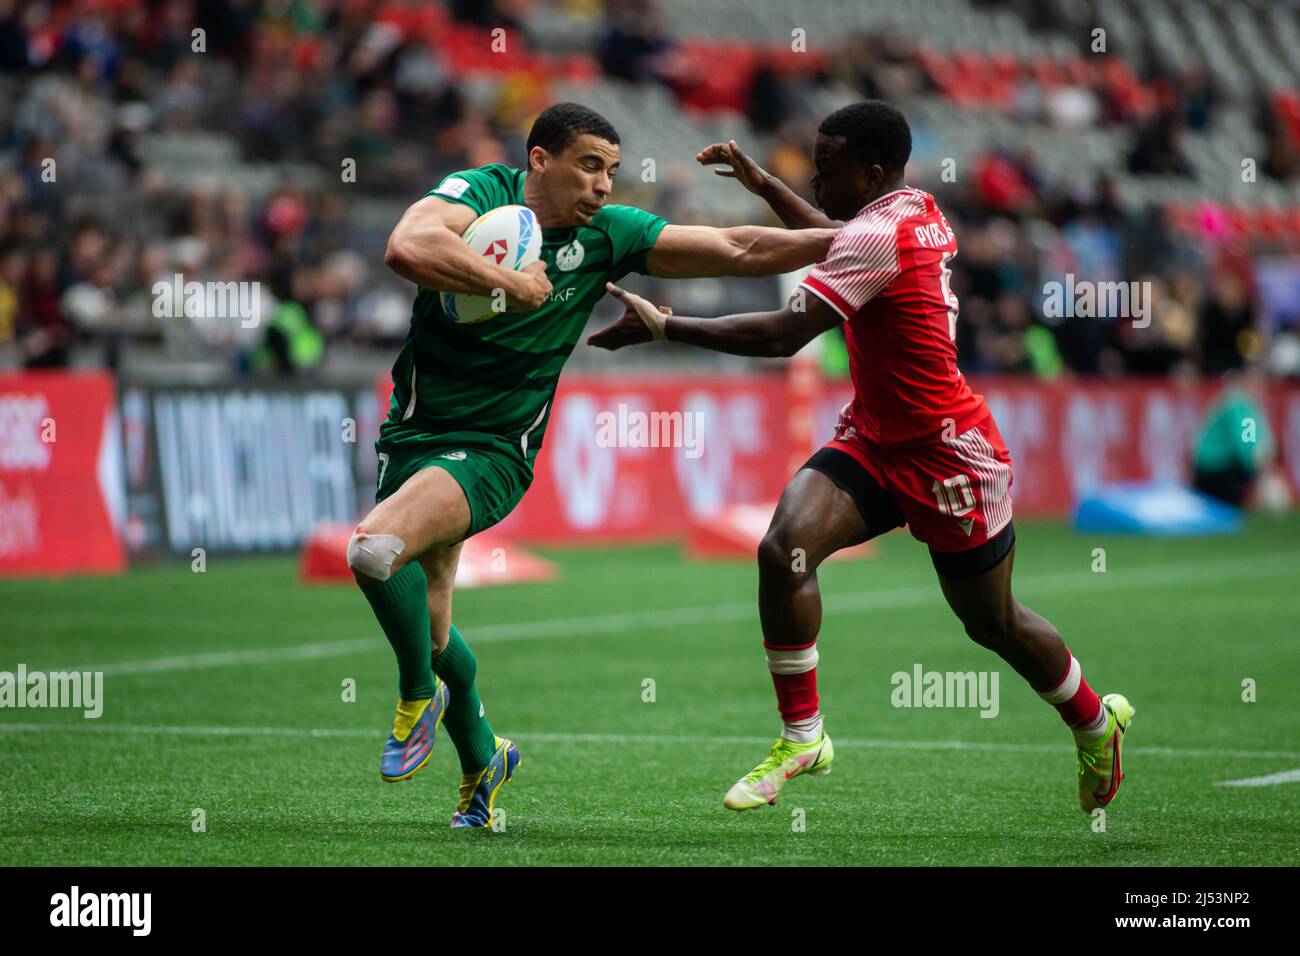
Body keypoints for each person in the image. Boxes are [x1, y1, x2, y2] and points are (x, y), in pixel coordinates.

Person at [589, 101, 1134, 814]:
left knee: (991, 623)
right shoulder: (911, 210)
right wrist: (764, 187)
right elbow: (836, 236)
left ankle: (1093, 721)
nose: (813, 178)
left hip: (948, 458)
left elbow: (787, 333)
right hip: (875, 440)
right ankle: (803, 735)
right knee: (784, 547)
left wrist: (668, 326)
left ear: (872, 172)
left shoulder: (879, 234)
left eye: (826, 169)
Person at [354, 102, 836, 829]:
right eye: (588, 166)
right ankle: (483, 756)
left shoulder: (611, 236)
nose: (604, 186)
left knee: (375, 547)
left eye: (612, 171)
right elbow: (406, 247)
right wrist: (510, 284)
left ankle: (418, 700)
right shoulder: (480, 193)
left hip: (494, 449)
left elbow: (737, 248)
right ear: (538, 159)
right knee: (431, 622)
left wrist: (848, 238)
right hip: (414, 429)